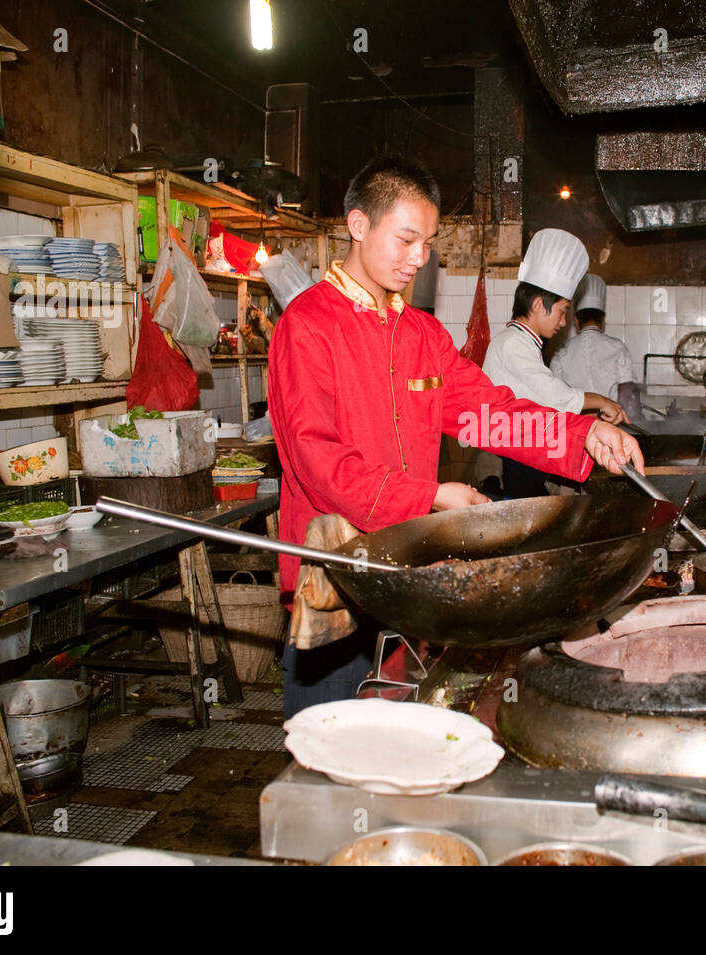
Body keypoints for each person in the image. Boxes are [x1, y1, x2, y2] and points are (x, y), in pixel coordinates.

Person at [267, 157, 643, 717]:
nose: (420, 257)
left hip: (410, 576)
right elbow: (320, 464)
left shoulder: (421, 334)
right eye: (407, 239)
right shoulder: (307, 326)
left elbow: (488, 413)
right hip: (337, 581)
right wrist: (431, 497)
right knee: (327, 759)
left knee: (401, 734)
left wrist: (582, 434)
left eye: (429, 242)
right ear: (358, 225)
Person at [483, 230, 629, 497]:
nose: (563, 322)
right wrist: (603, 401)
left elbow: (544, 401)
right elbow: (554, 395)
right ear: (539, 305)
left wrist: (590, 418)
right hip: (516, 452)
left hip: (524, 448)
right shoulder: (512, 343)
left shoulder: (522, 343)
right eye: (562, 311)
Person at [550, 274, 638, 403]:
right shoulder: (617, 347)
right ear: (603, 319)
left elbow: (556, 395)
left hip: (576, 421)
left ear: (575, 320)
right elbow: (628, 392)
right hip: (609, 419)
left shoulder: (561, 352)